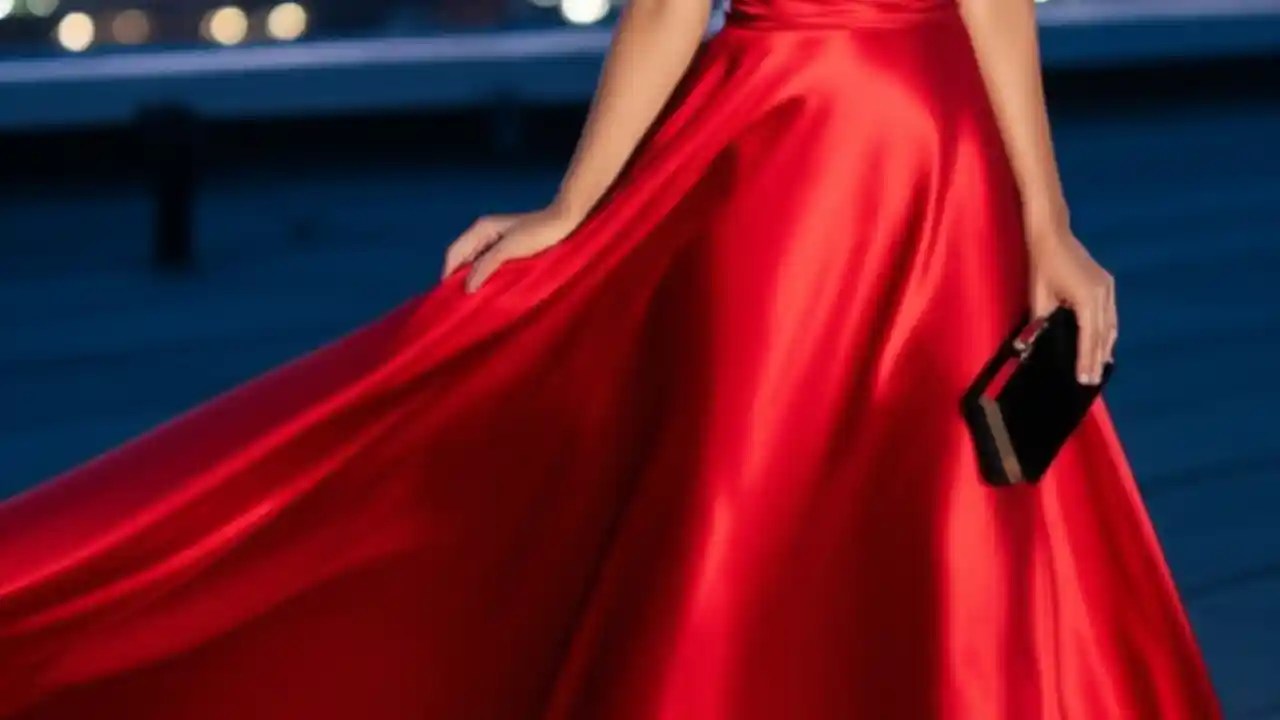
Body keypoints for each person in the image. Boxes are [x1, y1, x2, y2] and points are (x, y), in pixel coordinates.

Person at [0, 0, 1221, 717]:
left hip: (815, 144)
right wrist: (1041, 220)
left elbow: (666, 9)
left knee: (763, 491)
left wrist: (578, 207)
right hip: (906, 145)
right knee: (893, 500)